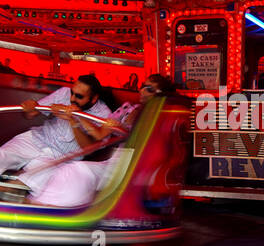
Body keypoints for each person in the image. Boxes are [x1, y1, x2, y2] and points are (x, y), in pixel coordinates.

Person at [0, 75, 112, 195]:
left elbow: (88, 148)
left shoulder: (104, 115)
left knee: (33, 178)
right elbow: (31, 114)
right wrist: (31, 107)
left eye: (79, 96)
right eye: (72, 93)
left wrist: (74, 119)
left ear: (94, 98)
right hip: (37, 138)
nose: (72, 98)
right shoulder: (64, 93)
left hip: (62, 156)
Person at [25, 74, 176, 206]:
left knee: (80, 170)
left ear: (160, 94)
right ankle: (44, 203)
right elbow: (100, 134)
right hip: (121, 158)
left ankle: (51, 204)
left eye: (149, 89)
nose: (142, 91)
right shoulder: (128, 108)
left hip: (143, 162)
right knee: (74, 169)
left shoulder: (163, 116)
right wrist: (76, 117)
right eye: (143, 86)